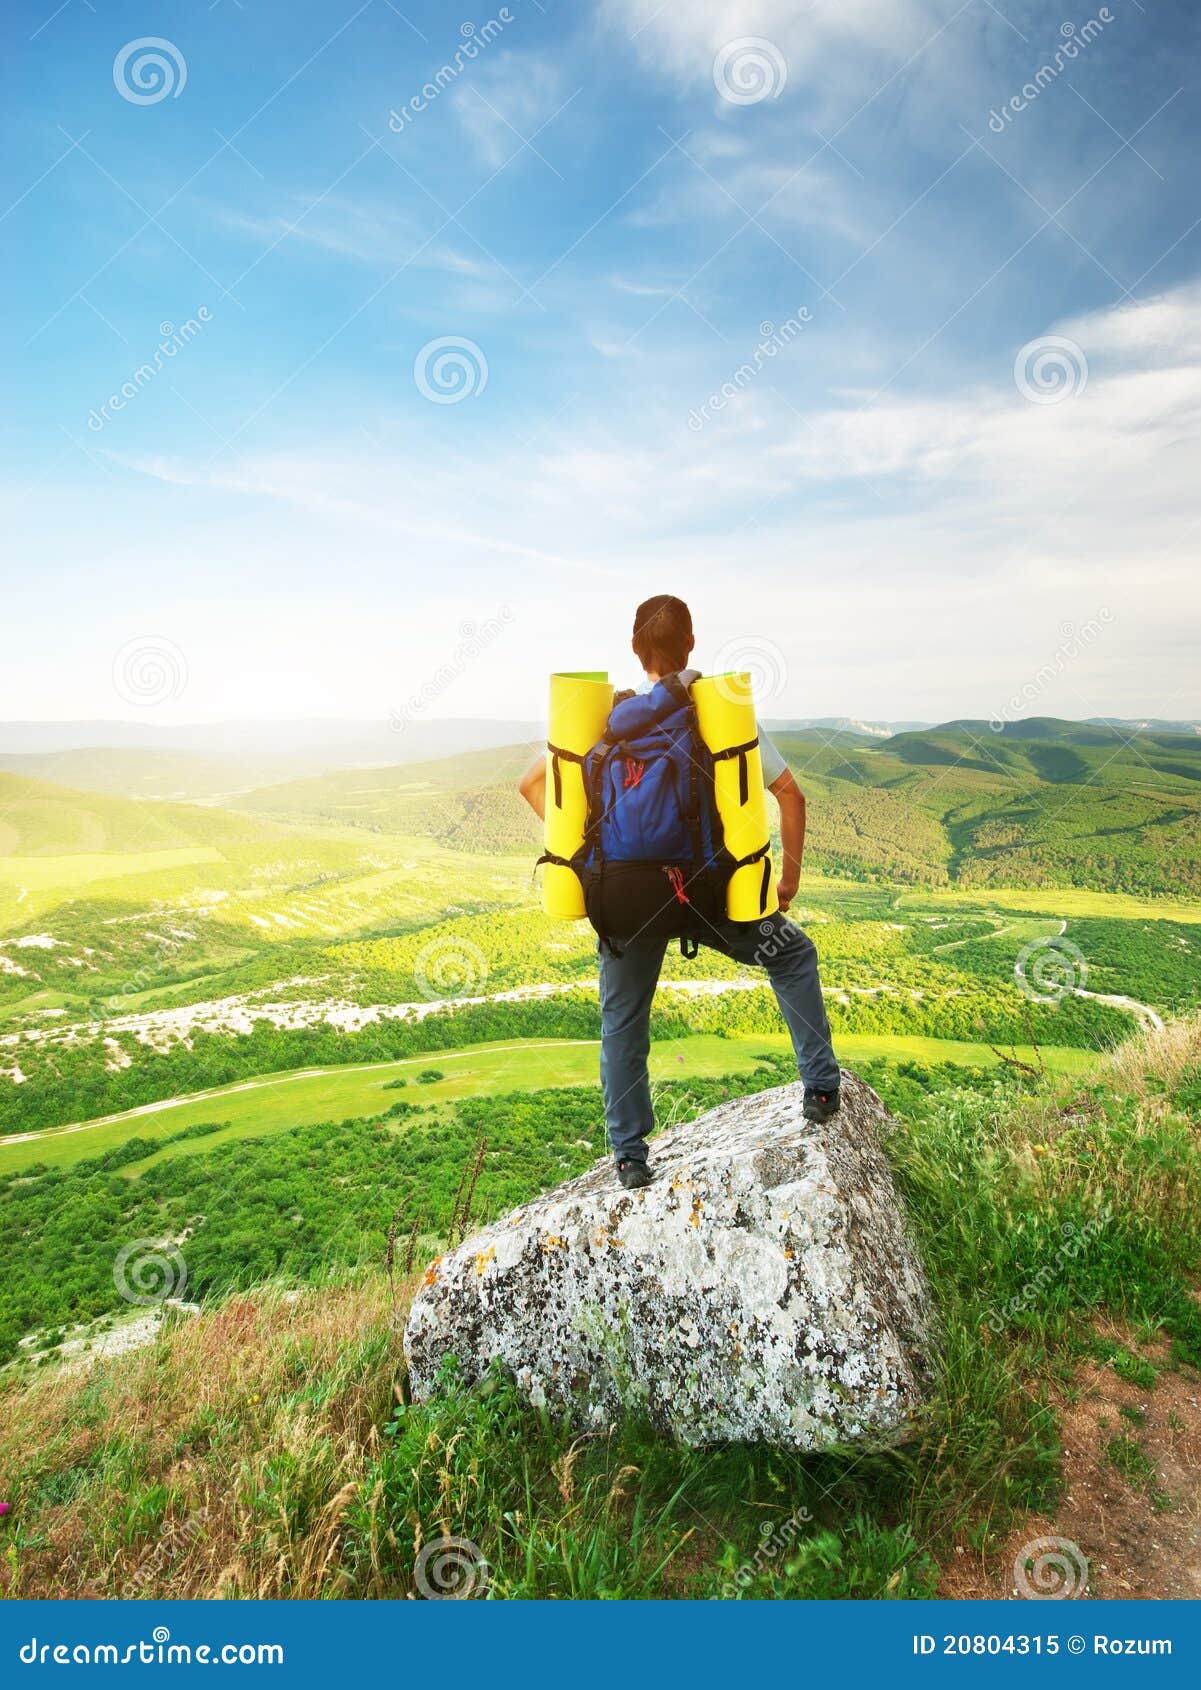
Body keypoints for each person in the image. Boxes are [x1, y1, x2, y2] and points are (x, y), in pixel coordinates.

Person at [519, 594, 841, 1189]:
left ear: (635, 651)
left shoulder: (602, 721)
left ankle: (628, 1155)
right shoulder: (715, 713)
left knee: (623, 1021)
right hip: (706, 894)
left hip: (624, 900)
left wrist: (587, 857)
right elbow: (790, 795)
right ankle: (820, 1091)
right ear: (690, 646)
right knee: (792, 956)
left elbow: (532, 784)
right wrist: (786, 879)